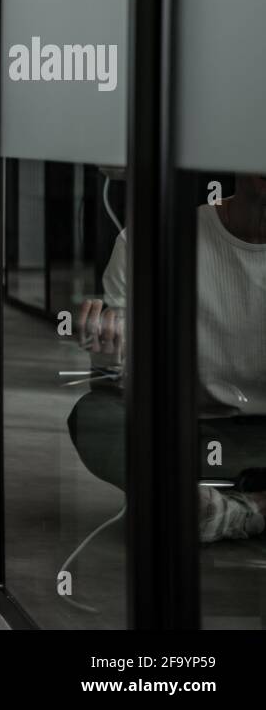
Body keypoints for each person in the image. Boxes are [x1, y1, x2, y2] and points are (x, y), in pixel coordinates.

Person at [71, 172, 266, 543]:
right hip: (190, 436)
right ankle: (207, 502)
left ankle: (236, 511)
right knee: (94, 417)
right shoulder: (152, 239)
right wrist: (110, 353)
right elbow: (117, 384)